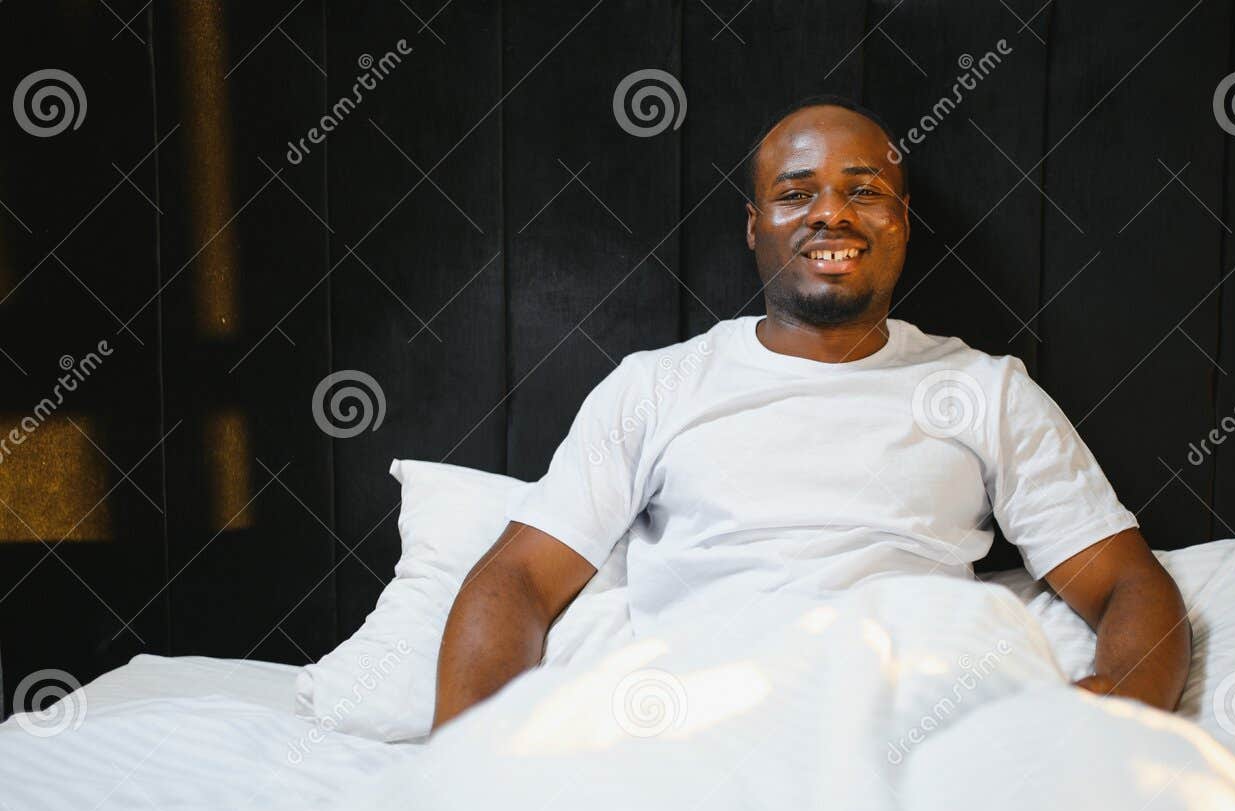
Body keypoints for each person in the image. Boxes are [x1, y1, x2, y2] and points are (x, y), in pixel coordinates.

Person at [433, 95, 1190, 730]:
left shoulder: (987, 390)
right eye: (796, 193)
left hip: (909, 728)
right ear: (755, 226)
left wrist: (1117, 713)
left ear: (900, 221)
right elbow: (519, 578)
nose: (831, 214)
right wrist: (468, 757)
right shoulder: (656, 387)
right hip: (699, 730)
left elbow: (1129, 582)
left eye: (863, 191)